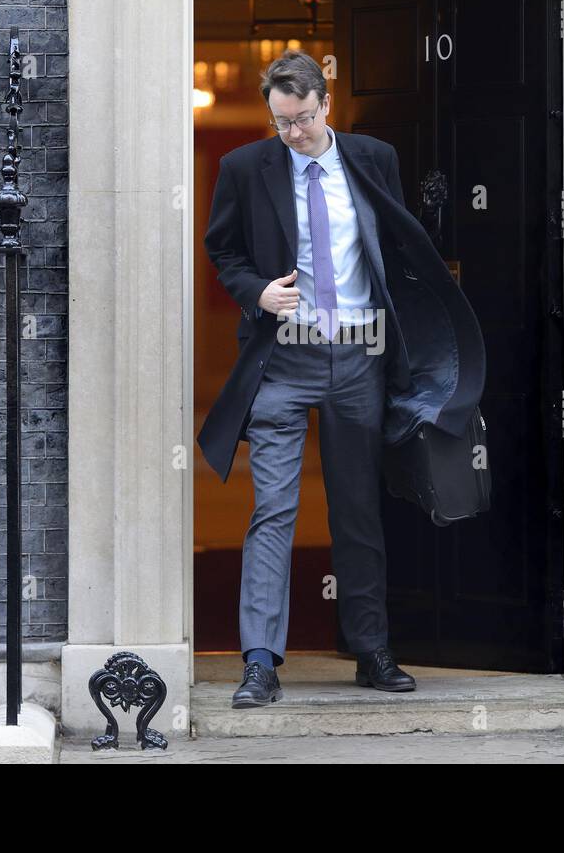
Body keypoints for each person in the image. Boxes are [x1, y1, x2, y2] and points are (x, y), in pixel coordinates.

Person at [197, 49, 485, 708]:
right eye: (279, 122)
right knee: (272, 509)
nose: (291, 133)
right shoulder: (246, 168)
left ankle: (371, 649)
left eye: (299, 119)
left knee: (358, 507)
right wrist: (257, 292)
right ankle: (261, 662)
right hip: (282, 361)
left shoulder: (373, 157)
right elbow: (223, 248)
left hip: (360, 356)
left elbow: (398, 244)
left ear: (325, 104)